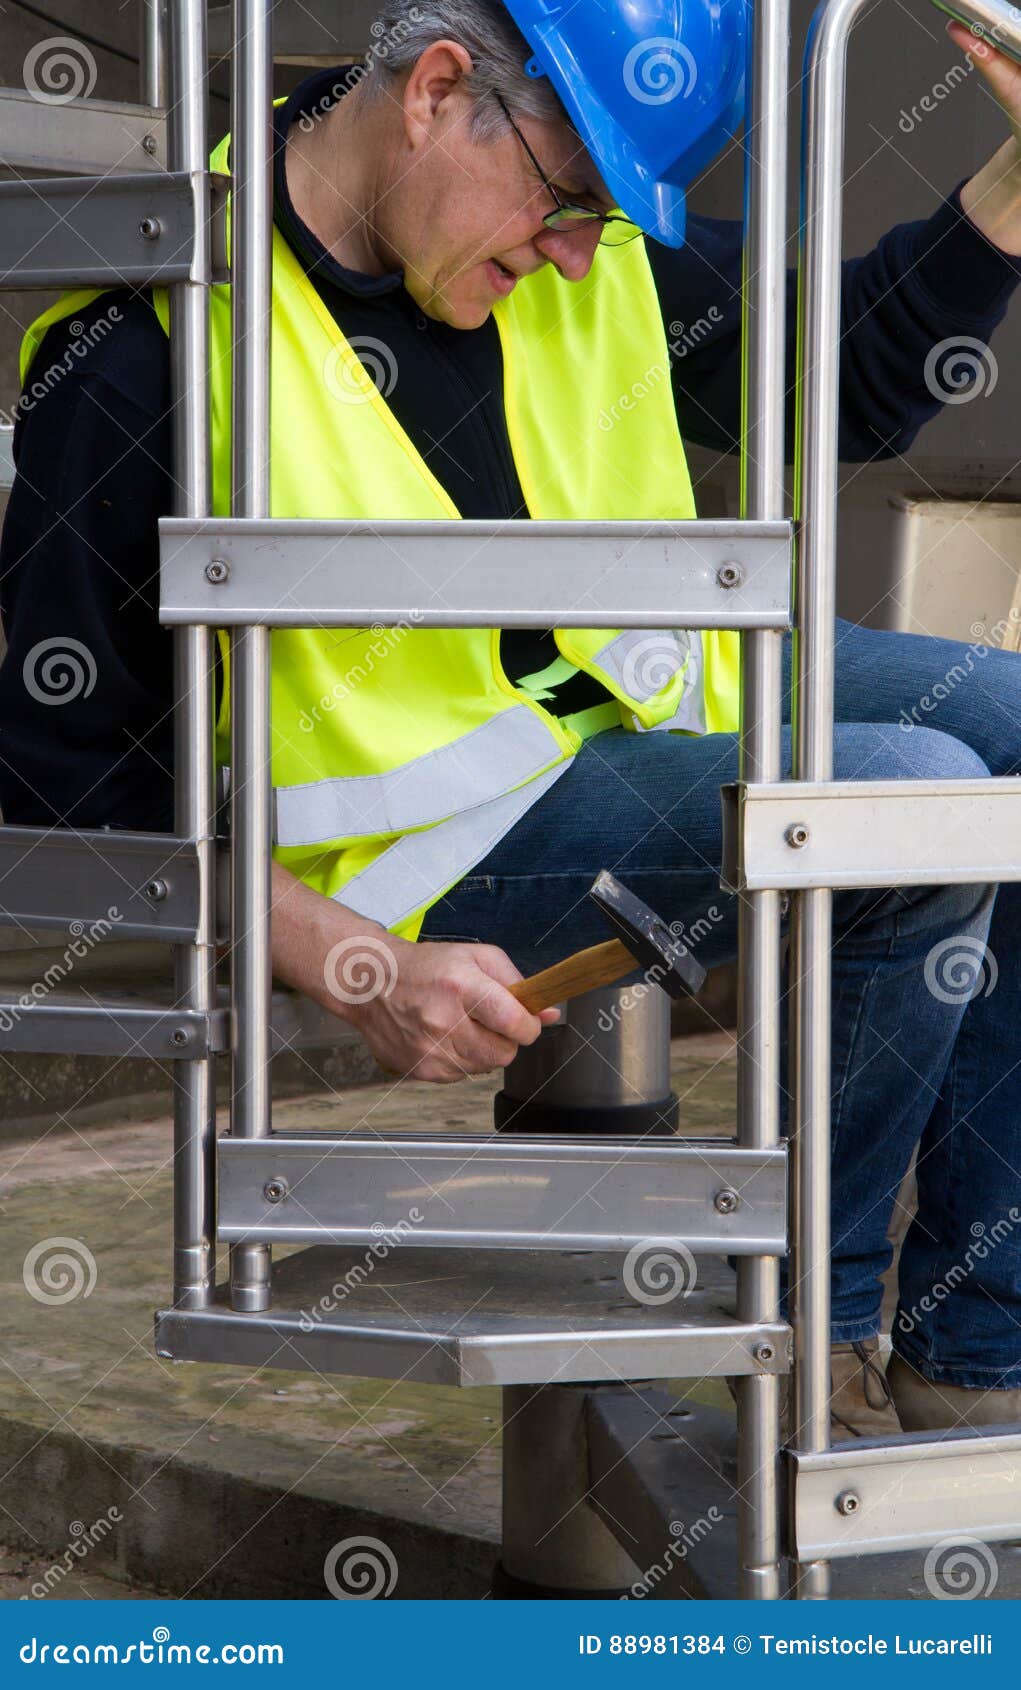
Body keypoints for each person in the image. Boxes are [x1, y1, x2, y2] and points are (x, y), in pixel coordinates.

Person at [3, 0, 1021, 1433]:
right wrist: (345, 957)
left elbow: (840, 371)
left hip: (639, 714)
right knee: (906, 796)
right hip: (424, 848)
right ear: (432, 93)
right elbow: (66, 789)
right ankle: (816, 1337)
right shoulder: (142, 348)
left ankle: (974, 1347)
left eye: (603, 219)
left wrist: (1011, 187)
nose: (576, 253)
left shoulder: (559, 247)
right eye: (568, 204)